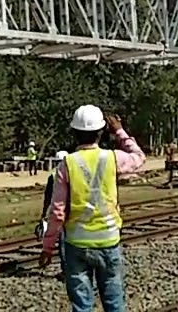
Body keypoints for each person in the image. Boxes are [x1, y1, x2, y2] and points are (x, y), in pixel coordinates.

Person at [39, 105, 146, 312]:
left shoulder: (66, 164)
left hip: (77, 243)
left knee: (81, 306)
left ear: (74, 133)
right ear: (101, 132)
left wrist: (48, 247)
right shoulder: (112, 158)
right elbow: (139, 157)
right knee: (114, 302)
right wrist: (120, 132)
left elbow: (57, 211)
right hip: (108, 239)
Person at [38, 150, 70, 278]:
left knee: (62, 240)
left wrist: (44, 212)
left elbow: (48, 197)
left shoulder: (53, 175)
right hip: (74, 211)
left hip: (60, 211)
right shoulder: (74, 172)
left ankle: (66, 269)